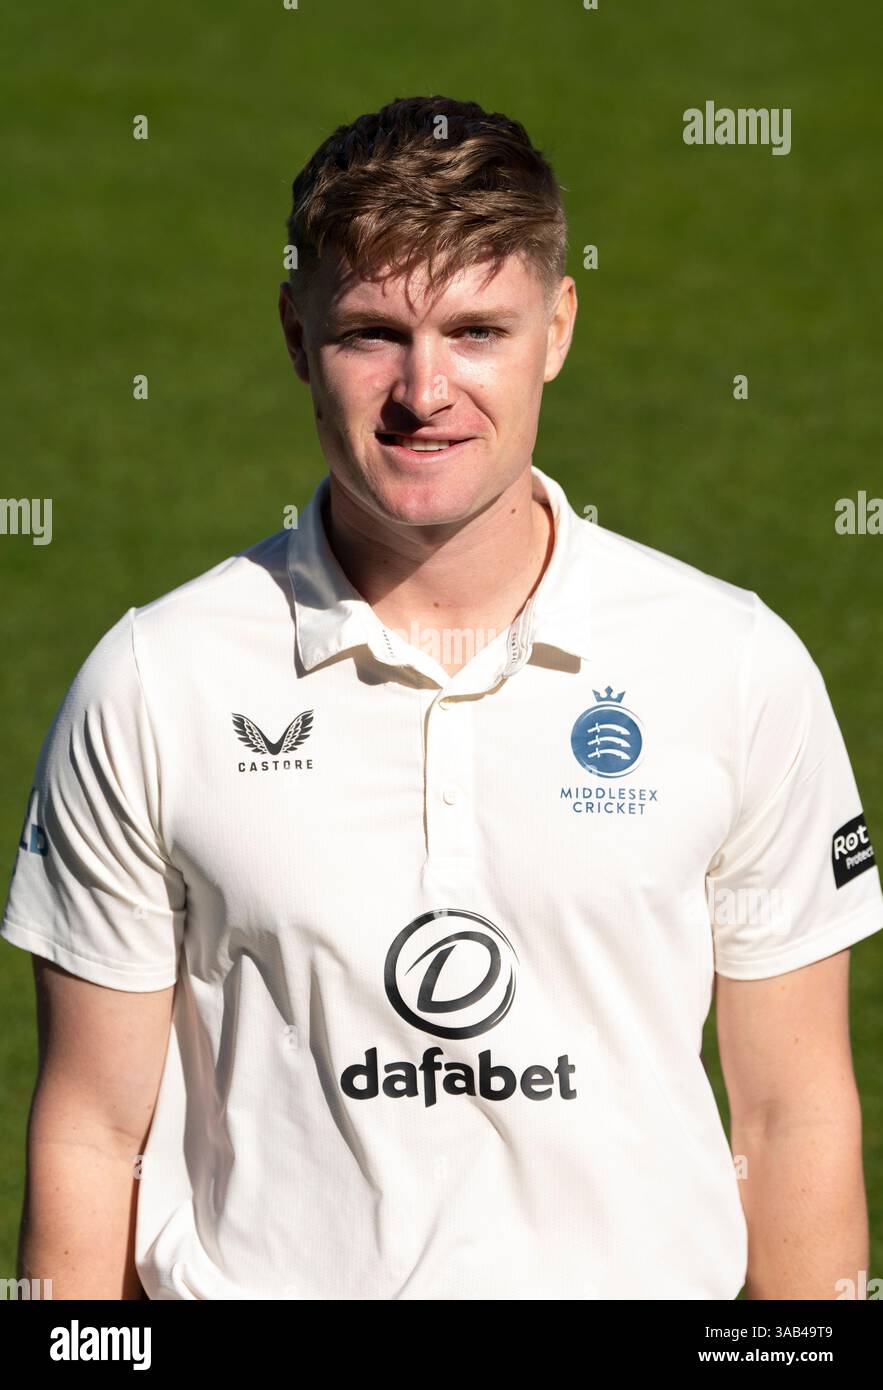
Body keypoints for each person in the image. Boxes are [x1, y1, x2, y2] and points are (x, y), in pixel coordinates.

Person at [3, 95, 882, 1301]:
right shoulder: (158, 679)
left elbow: (790, 1121)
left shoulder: (731, 663)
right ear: (295, 333)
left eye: (477, 331)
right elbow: (91, 1133)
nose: (426, 392)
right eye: (372, 333)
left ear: (557, 328)